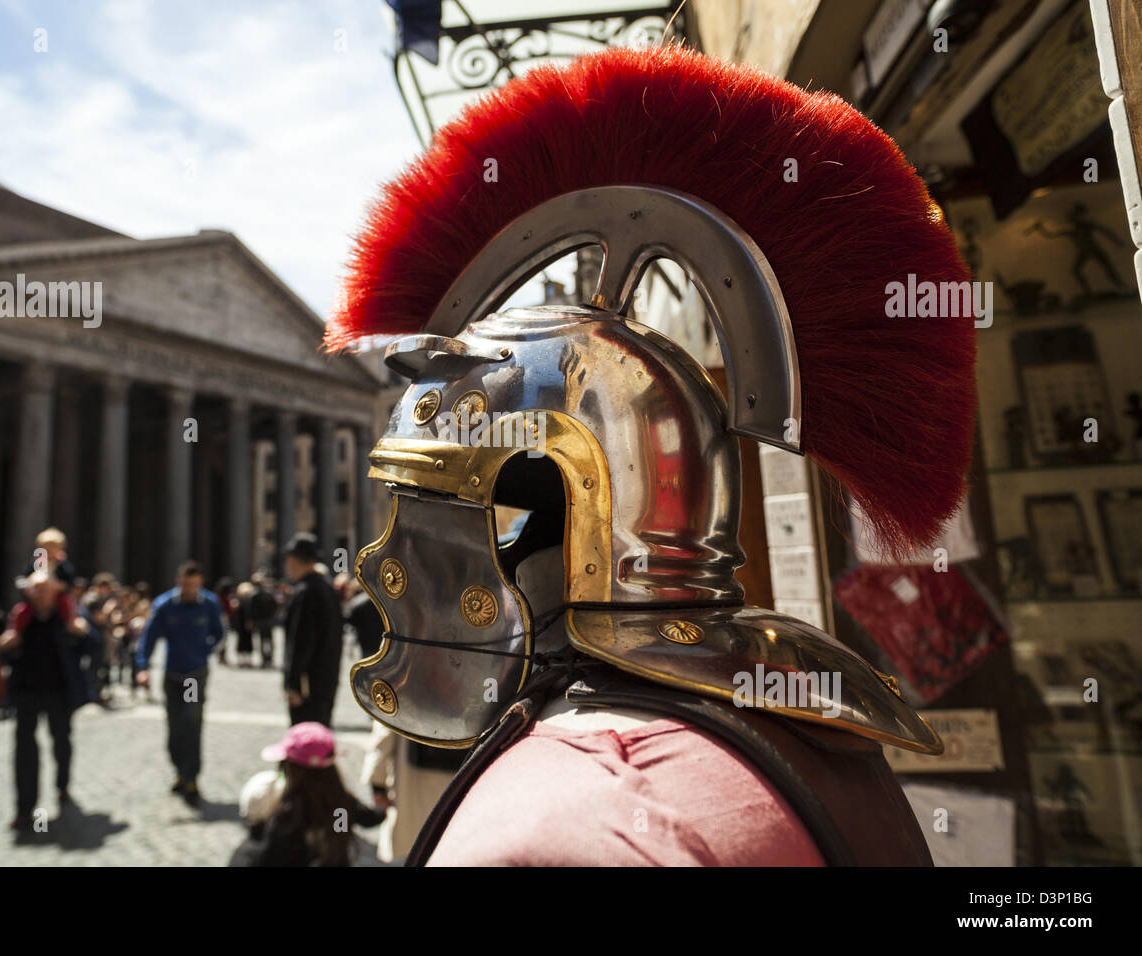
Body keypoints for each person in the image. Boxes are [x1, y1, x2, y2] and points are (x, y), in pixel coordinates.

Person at [324, 45, 974, 865]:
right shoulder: (787, 695)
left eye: (420, 501)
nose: (382, 555)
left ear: (573, 511)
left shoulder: (571, 811)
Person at [0, 570, 85, 834]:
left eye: (43, 588)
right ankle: (25, 808)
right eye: (34, 589)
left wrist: (80, 632)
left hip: (59, 690)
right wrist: (5, 646)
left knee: (61, 741)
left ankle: (62, 784)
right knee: (25, 749)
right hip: (27, 691)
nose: (37, 593)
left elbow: (90, 646)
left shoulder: (66, 614)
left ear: (54, 591)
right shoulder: (21, 616)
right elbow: (4, 652)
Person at [228, 722, 383, 867]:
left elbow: (269, 856)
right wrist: (383, 805)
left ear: (292, 769)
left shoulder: (288, 813)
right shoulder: (341, 805)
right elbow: (367, 819)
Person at [135, 560, 225, 807]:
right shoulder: (165, 605)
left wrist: (204, 650)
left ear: (200, 583)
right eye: (185, 584)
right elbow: (148, 638)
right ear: (178, 581)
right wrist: (142, 667)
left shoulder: (209, 604)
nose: (188, 589)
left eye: (193, 585)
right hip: (173, 674)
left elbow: (218, 633)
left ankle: (191, 776)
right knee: (174, 725)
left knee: (192, 723)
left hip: (193, 676)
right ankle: (179, 770)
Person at [361, 721, 459, 863]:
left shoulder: (402, 697)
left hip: (412, 784)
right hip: (458, 781)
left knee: (416, 847)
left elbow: (385, 726)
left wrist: (377, 786)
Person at [281, 535, 343, 727]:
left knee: (305, 738)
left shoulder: (305, 591)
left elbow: (300, 641)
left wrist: (293, 684)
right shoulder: (327, 588)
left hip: (307, 684)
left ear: (292, 560)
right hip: (327, 678)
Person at [248, 573, 277, 669]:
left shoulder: (256, 595)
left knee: (265, 640)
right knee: (267, 640)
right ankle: (267, 659)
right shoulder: (266, 594)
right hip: (266, 620)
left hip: (262, 621)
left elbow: (251, 609)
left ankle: (266, 659)